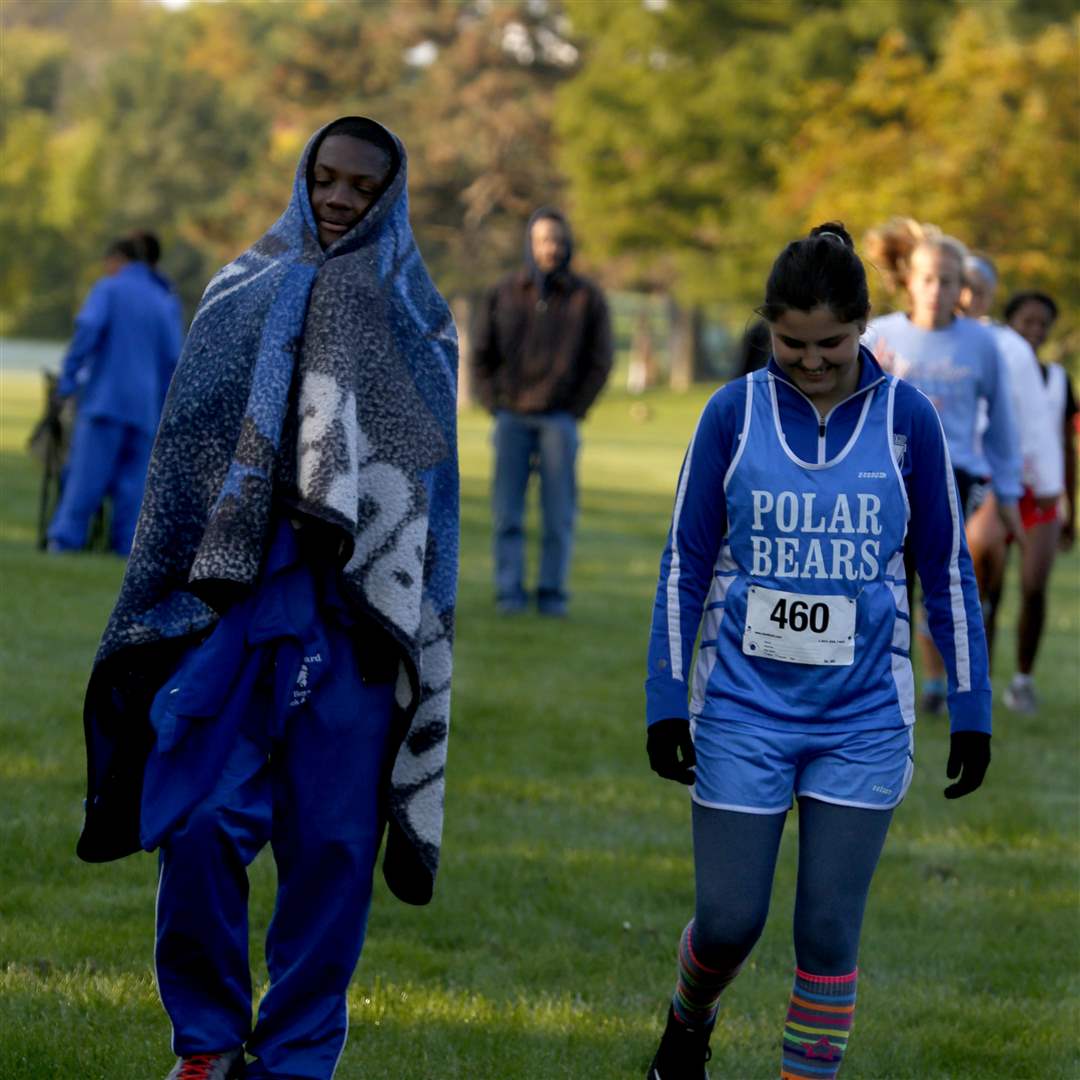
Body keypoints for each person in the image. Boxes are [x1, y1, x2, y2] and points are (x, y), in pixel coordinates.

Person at [74, 117, 460, 1080]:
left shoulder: (417, 316)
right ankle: (205, 1042)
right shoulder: (241, 289)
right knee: (201, 819)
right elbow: (190, 447)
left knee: (332, 850)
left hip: (356, 620)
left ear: (389, 195)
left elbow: (425, 483)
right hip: (242, 608)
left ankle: (295, 1054)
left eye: (359, 186)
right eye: (323, 178)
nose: (337, 197)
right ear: (302, 178)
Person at [643, 223, 991, 1080]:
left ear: (865, 325)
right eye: (790, 343)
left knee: (827, 932)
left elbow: (945, 570)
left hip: (863, 718)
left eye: (830, 342)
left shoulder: (909, 422)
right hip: (741, 710)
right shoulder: (733, 413)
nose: (810, 360)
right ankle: (689, 1022)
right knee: (728, 921)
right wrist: (664, 696)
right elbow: (684, 563)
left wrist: (973, 711)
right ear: (768, 330)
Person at [864, 218, 1022, 712]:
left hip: (958, 478)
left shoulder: (982, 344)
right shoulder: (880, 338)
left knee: (948, 586)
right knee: (890, 586)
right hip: (889, 477)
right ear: (909, 279)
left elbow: (1001, 424)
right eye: (928, 278)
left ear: (962, 288)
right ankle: (886, 684)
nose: (936, 290)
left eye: (948, 281)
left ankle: (957, 687)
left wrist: (1009, 493)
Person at [471, 207, 613, 616]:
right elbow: (481, 355)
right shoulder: (503, 293)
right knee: (507, 515)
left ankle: (552, 596)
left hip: (559, 421)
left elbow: (600, 360)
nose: (550, 248)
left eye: (557, 240)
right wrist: (494, 404)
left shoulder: (588, 297)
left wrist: (575, 409)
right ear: (530, 245)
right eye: (543, 240)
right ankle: (509, 595)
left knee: (558, 517)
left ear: (567, 244)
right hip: (511, 418)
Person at [956, 256, 1063, 670]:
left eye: (977, 290)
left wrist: (1050, 484)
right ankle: (934, 679)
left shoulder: (1007, 348)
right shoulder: (904, 335)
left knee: (988, 571)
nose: (965, 298)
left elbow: (1036, 425)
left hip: (994, 478)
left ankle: (998, 672)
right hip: (929, 475)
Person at [46, 234, 184, 555]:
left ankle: (65, 542)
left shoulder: (109, 288)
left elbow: (87, 332)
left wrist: (67, 382)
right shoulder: (164, 300)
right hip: (147, 408)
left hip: (104, 402)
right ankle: (124, 549)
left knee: (86, 479)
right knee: (133, 488)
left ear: (120, 259)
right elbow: (172, 359)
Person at [995, 290, 1076, 712]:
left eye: (1043, 323)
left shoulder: (1059, 379)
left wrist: (1071, 510)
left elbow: (1067, 445)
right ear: (1009, 324)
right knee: (983, 587)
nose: (1035, 330)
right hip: (996, 489)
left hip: (1041, 495)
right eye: (1027, 321)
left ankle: (1023, 680)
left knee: (1034, 585)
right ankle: (979, 680)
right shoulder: (993, 371)